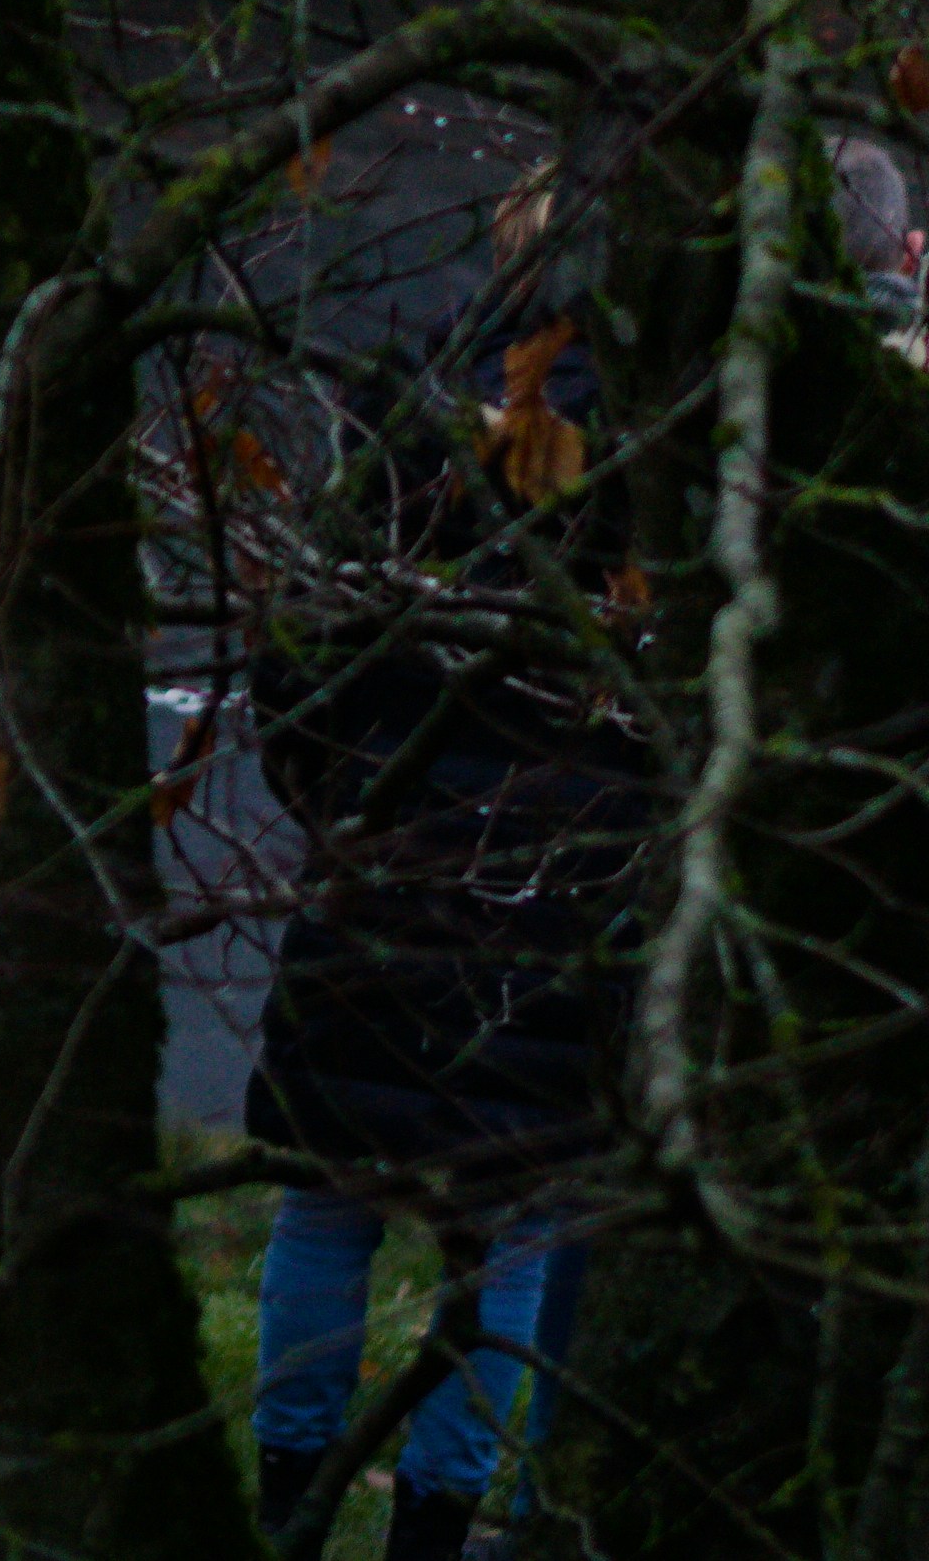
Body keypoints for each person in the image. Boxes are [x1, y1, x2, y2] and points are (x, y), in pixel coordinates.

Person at [243, 199, 630, 1561]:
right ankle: (434, 1526)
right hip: (557, 891)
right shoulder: (656, 445)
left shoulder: (405, 402)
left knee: (328, 1199)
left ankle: (289, 1502)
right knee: (511, 1235)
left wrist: (341, 800)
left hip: (384, 857)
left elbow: (293, 644)